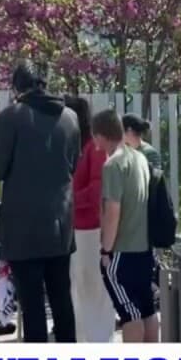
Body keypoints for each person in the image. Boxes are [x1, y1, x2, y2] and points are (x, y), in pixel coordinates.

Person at [0, 62, 81, 343]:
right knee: (61, 297)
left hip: (22, 224)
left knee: (32, 303)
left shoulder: (13, 116)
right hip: (60, 222)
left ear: (17, 87)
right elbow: (73, 163)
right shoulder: (71, 117)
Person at [92, 109, 159, 343]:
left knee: (129, 313)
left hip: (122, 250)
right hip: (144, 247)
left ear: (100, 135)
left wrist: (105, 250)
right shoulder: (140, 158)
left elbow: (112, 211)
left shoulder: (113, 165)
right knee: (147, 308)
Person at [68, 96, 116, 342]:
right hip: (77, 226)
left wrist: (69, 198)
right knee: (80, 284)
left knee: (92, 284)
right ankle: (85, 337)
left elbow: (98, 188)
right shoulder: (77, 146)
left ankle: (97, 339)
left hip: (90, 227)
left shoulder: (93, 149)